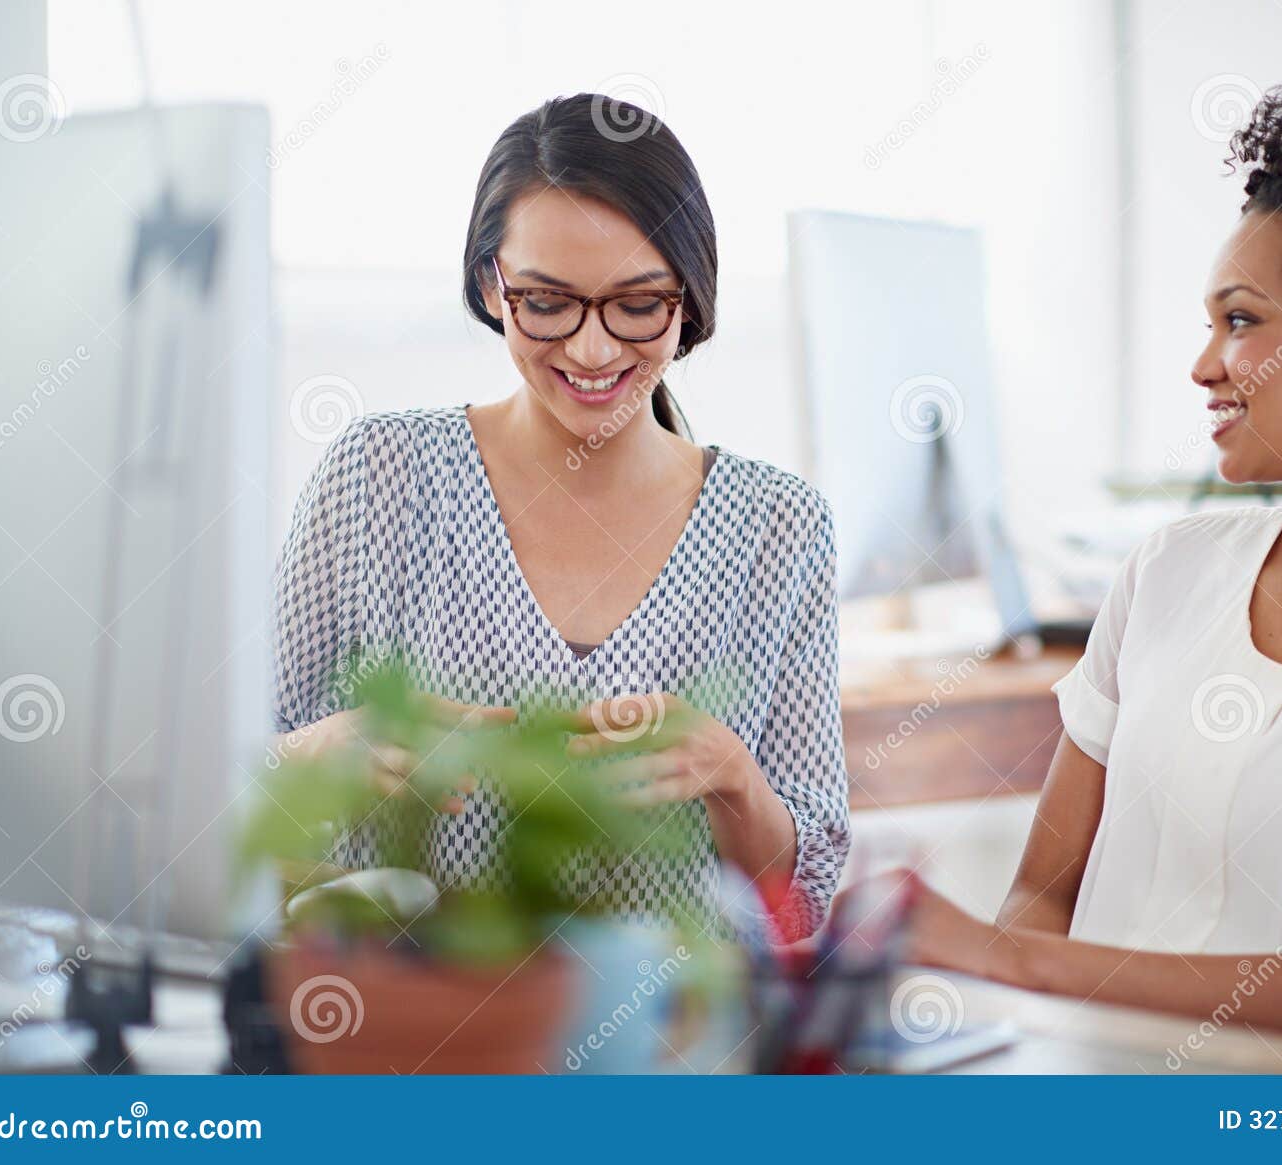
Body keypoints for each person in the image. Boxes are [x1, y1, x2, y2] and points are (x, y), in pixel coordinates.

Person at [901, 59, 1282, 1045]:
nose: (1202, 365)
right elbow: (1037, 900)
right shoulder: (1168, 572)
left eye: (1240, 321)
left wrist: (1006, 958)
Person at [271, 95, 850, 940]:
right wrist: (319, 755)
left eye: (637, 304)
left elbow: (803, 899)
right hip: (408, 1035)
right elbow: (222, 799)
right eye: (546, 303)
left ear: (688, 297)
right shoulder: (379, 475)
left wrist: (729, 775)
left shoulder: (779, 526)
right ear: (488, 285)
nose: (591, 349)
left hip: (673, 1045)